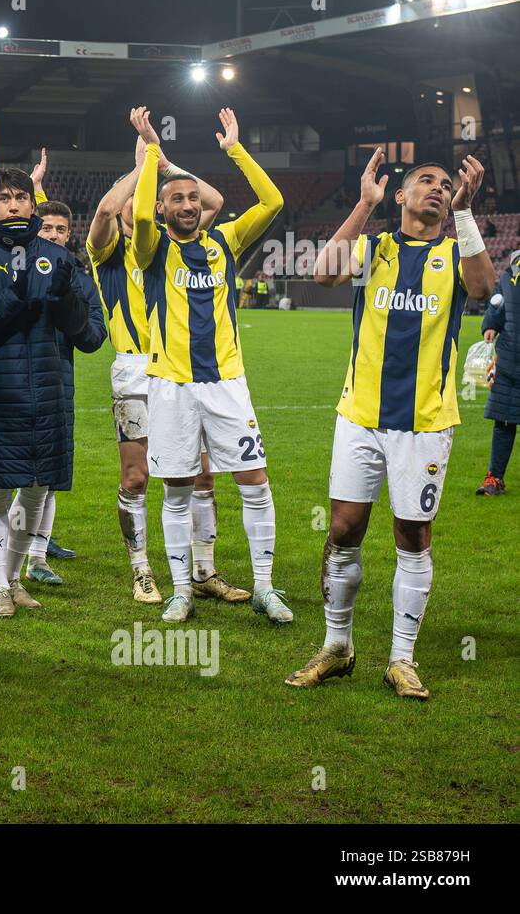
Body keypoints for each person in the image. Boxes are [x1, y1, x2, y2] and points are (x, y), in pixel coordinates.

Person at [289, 150, 493, 698]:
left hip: (425, 421)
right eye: (425, 180)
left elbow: (481, 290)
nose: (437, 187)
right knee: (343, 530)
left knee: (412, 535)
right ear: (400, 196)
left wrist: (468, 212)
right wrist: (363, 203)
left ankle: (401, 659)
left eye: (445, 184)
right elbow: (324, 272)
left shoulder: (453, 251)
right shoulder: (376, 247)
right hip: (360, 415)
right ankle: (337, 647)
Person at [131, 106, 290, 625]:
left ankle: (265, 587)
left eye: (193, 198)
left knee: (255, 481)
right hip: (171, 386)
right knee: (178, 489)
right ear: (161, 207)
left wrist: (234, 151)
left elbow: (273, 200)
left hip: (227, 384)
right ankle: (182, 590)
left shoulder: (225, 241)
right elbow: (135, 217)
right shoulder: (152, 249)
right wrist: (153, 149)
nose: (187, 204)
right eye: (176, 198)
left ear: (203, 207)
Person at [86, 136, 248, 607]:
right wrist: (142, 165)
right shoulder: (108, 253)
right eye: (130, 206)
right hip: (137, 370)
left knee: (201, 476)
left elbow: (214, 200)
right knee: (136, 478)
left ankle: (204, 571)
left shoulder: (174, 248)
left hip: (185, 372)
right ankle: (141, 571)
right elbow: (103, 213)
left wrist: (164, 161)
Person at [0, 168, 104, 618]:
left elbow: (91, 337)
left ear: (34, 204)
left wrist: (62, 300)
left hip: (49, 398)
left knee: (35, 492)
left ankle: (13, 579)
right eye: (4, 198)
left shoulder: (60, 258)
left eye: (21, 197)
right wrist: (19, 295)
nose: (13, 205)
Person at [476, 249, 517, 496]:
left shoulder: (509, 273)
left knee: (503, 423)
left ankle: (495, 479)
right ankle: (495, 478)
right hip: (509, 359)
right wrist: (490, 325)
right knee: (503, 421)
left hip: (510, 358)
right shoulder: (508, 276)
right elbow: (497, 304)